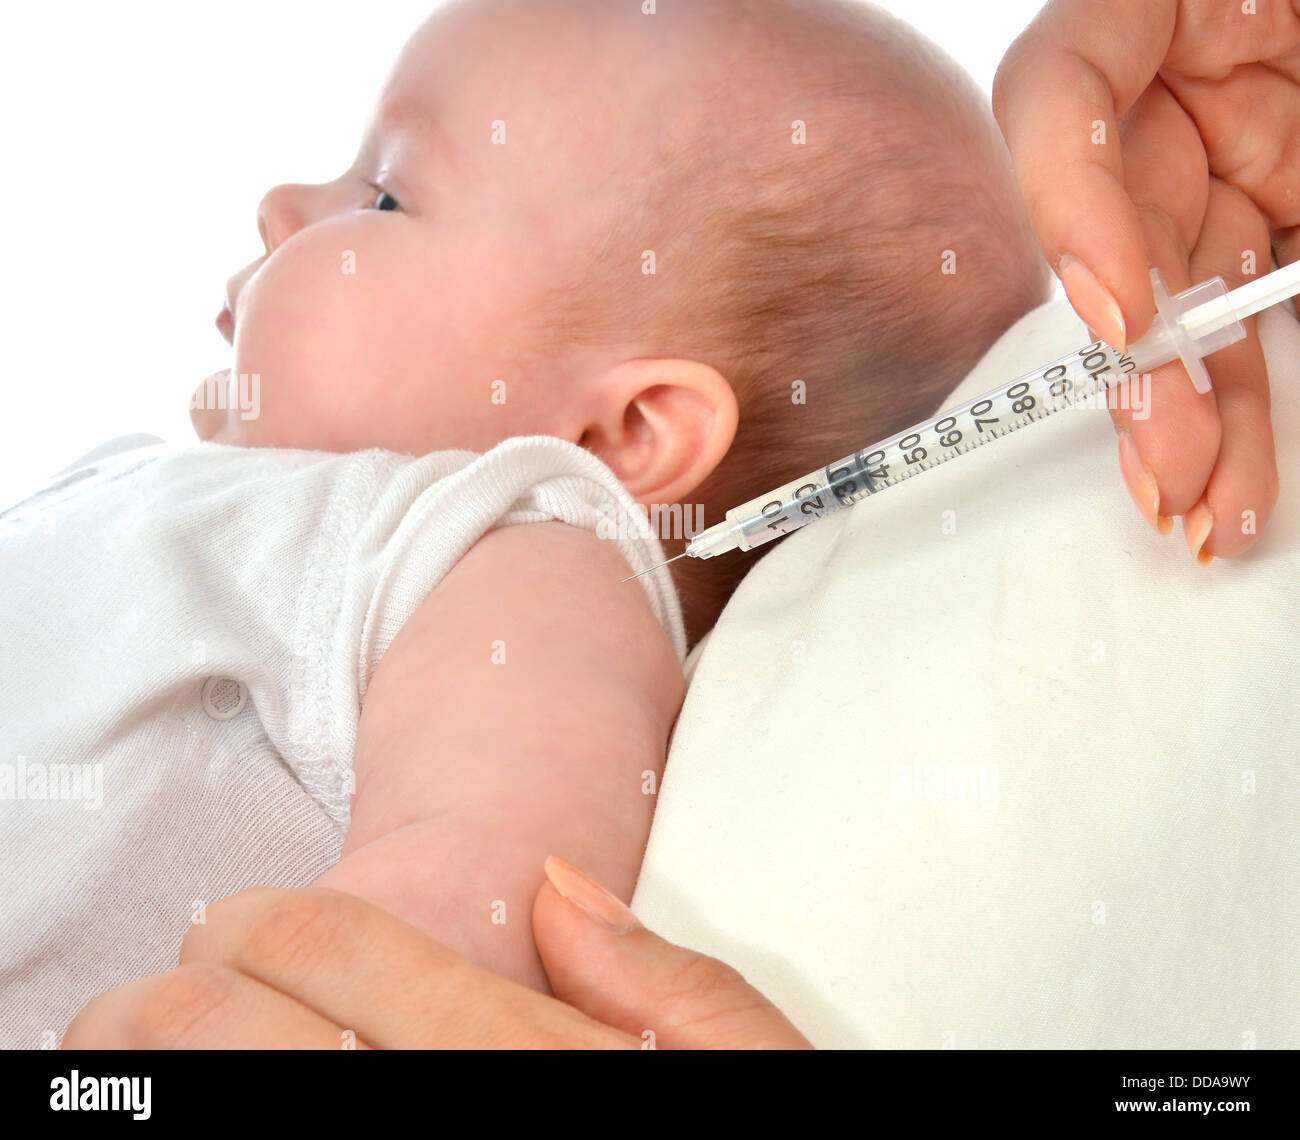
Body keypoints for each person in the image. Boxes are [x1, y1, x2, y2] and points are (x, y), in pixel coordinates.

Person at [63, 0, 1298, 1048]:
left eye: (385, 196)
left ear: (625, 439)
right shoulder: (126, 485)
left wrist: (423, 926)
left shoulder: (512, 544)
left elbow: (461, 879)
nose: (283, 203)